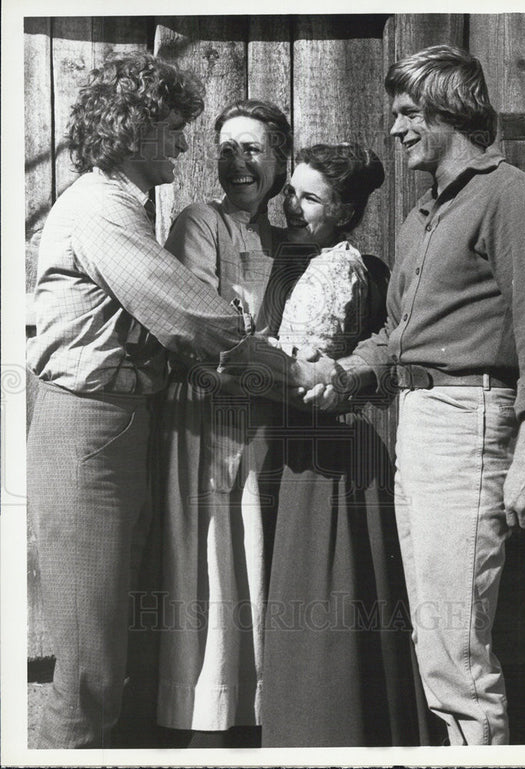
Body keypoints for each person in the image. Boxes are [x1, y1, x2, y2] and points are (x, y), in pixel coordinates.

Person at [301, 46, 525, 745]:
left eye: (407, 114)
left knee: (458, 648)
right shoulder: (423, 214)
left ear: (451, 112)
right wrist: (344, 372)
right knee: (437, 639)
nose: (394, 130)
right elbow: (401, 336)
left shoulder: (512, 196)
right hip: (419, 424)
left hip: (471, 421)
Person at [26, 53, 254, 749]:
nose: (185, 146)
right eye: (173, 129)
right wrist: (250, 331)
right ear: (132, 130)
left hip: (122, 428)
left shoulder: (121, 205)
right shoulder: (98, 209)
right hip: (87, 432)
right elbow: (186, 314)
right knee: (90, 661)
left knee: (115, 641)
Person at [259, 143, 419, 747]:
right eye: (290, 191)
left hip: (327, 455)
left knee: (323, 609)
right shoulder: (303, 261)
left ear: (345, 213)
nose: (292, 205)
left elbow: (299, 373)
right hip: (312, 450)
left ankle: (330, 735)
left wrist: (235, 350)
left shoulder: (335, 269)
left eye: (310, 197)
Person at [156, 100, 295, 748]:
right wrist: (263, 355)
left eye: (254, 149)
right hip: (207, 420)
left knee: (258, 564)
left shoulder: (284, 239)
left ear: (280, 160)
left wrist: (262, 353)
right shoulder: (198, 222)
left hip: (264, 427)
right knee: (209, 569)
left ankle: (257, 724)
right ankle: (200, 733)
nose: (238, 162)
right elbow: (199, 331)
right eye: (228, 148)